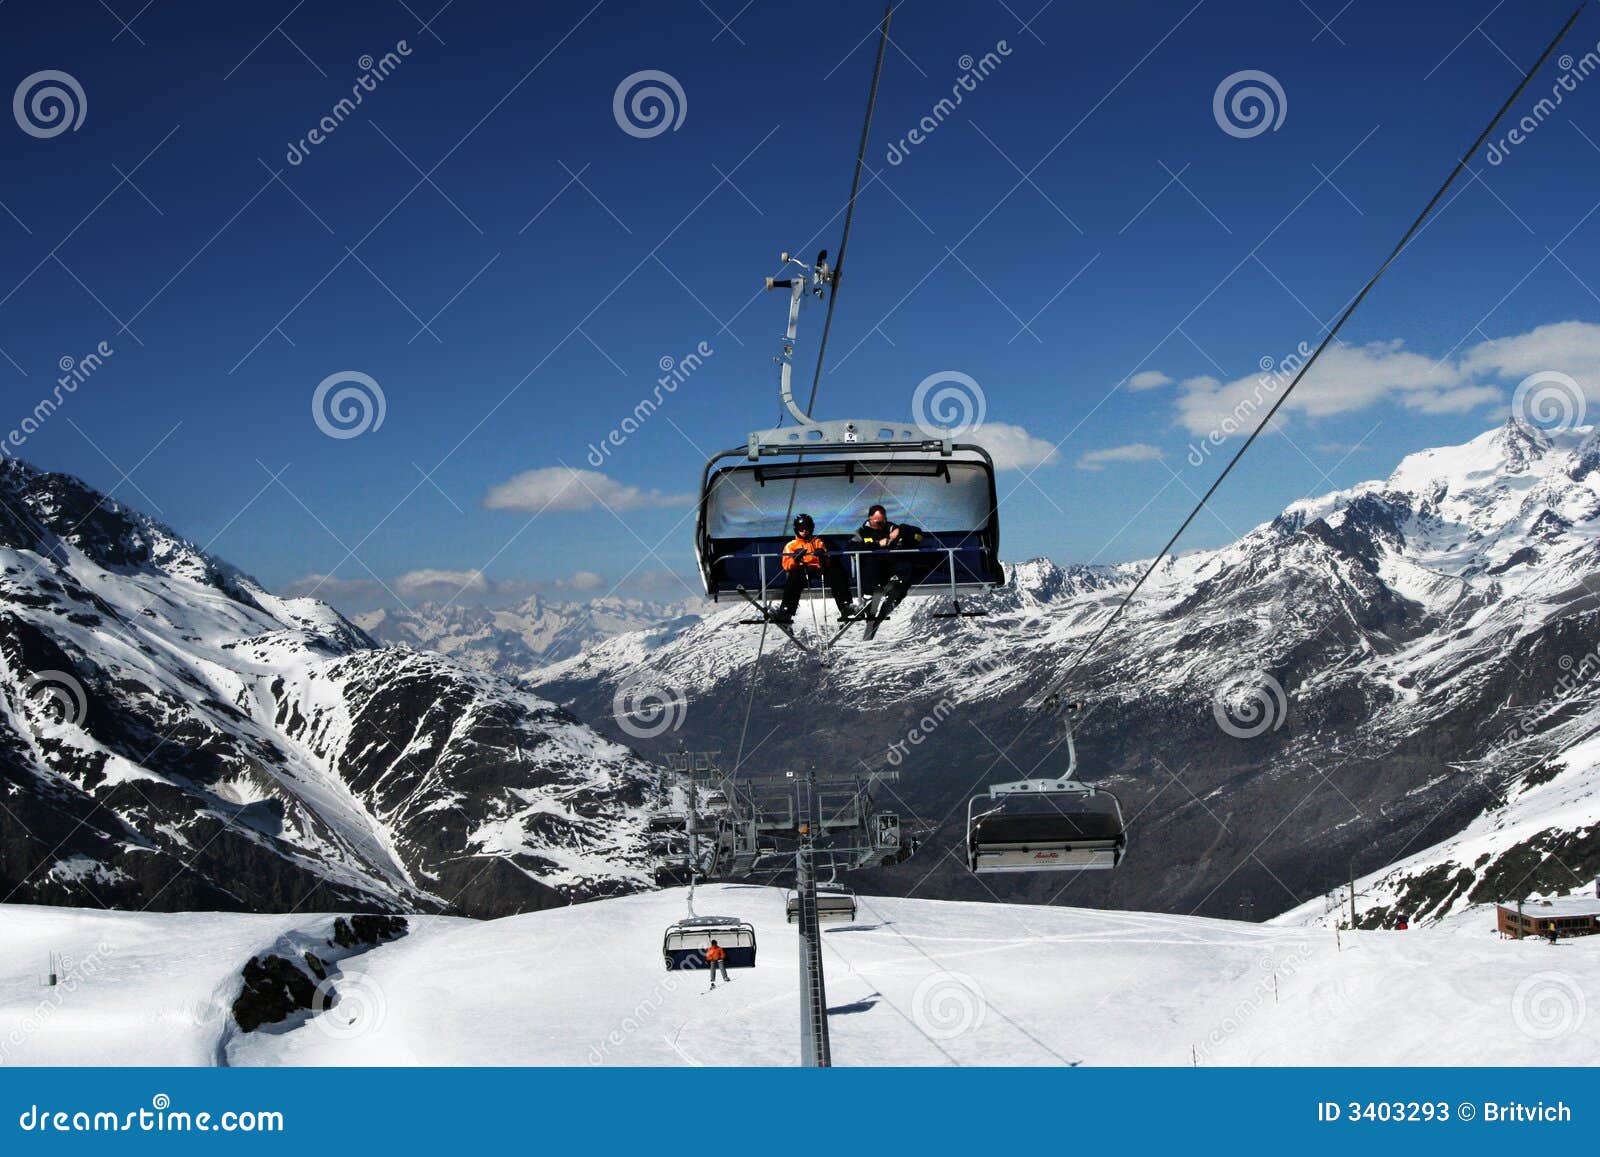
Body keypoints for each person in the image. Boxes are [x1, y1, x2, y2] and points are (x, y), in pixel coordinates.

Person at [772, 513, 854, 623]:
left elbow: (828, 561)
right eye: (801, 528)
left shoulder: (817, 542)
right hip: (802, 570)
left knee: (836, 572)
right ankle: (786, 611)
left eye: (807, 528)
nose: (804, 531)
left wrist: (823, 555)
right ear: (796, 529)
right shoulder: (791, 545)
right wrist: (795, 559)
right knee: (793, 577)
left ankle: (846, 606)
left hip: (818, 568)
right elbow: (786, 565)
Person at [852, 503, 928, 613]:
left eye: (883, 520)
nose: (881, 524)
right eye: (878, 521)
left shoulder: (892, 528)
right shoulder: (861, 531)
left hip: (892, 566)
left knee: (907, 566)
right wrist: (877, 544)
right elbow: (851, 547)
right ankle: (867, 598)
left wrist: (901, 530)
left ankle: (893, 597)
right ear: (870, 518)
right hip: (873, 569)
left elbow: (919, 535)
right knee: (871, 562)